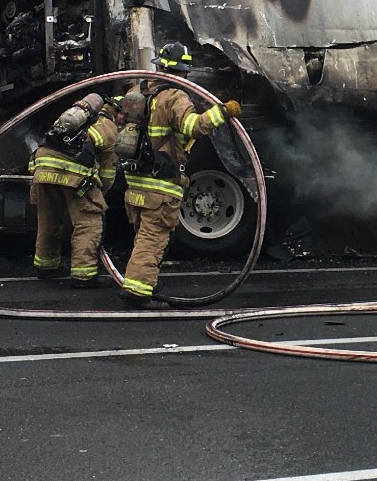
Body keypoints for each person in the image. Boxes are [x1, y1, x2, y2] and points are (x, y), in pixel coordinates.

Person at [118, 43, 240, 307]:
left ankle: (144, 279)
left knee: (143, 236)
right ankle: (138, 291)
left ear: (160, 65)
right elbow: (194, 127)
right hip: (160, 183)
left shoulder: (136, 91)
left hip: (135, 180)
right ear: (183, 72)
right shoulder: (174, 97)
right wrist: (222, 112)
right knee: (153, 238)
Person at [29, 93, 116, 282]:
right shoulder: (108, 127)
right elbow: (108, 171)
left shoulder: (69, 117)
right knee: (88, 224)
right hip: (72, 176)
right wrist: (101, 192)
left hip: (41, 171)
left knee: (48, 220)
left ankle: (46, 267)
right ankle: (83, 275)